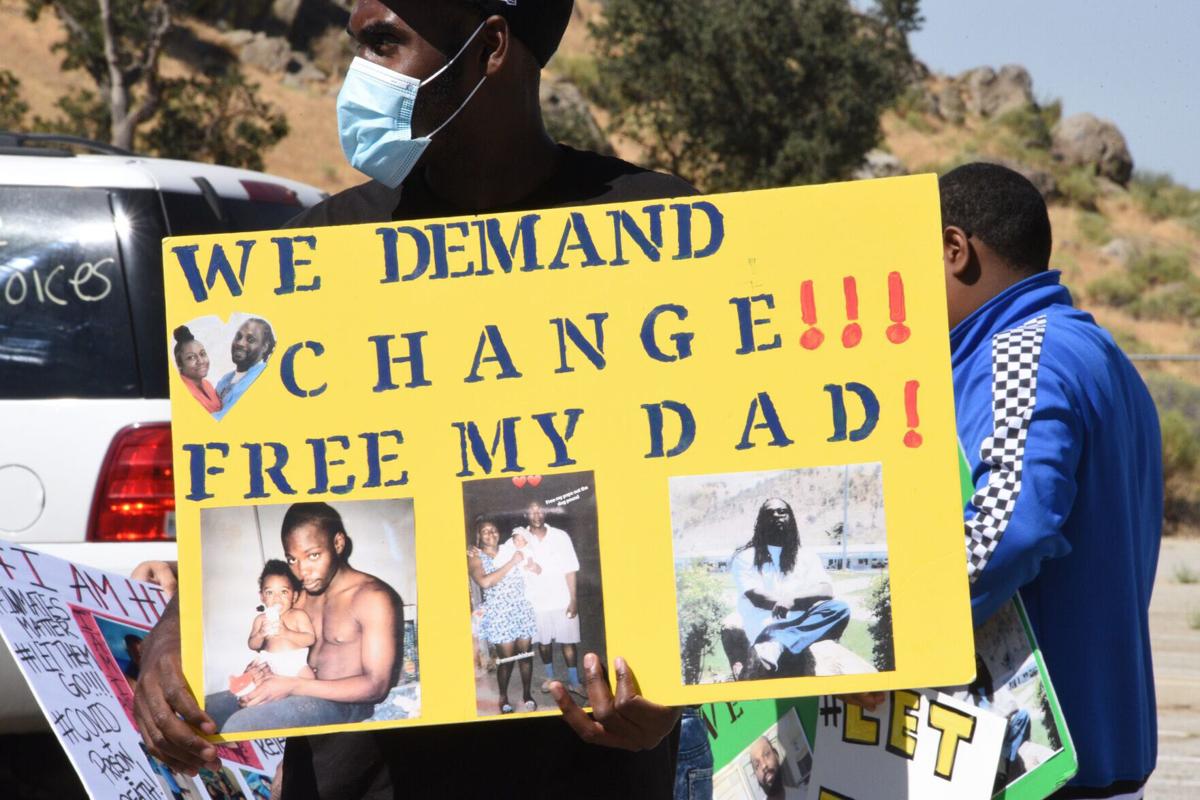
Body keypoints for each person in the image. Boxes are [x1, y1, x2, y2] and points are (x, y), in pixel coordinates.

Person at [134, 1, 695, 795]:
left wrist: (677, 694)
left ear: (489, 49)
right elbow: (243, 481)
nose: (358, 75)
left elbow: (700, 506)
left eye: (385, 44)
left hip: (583, 769)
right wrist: (172, 639)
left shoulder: (659, 231)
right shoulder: (312, 255)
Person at [850, 163, 1163, 799]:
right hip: (1098, 754)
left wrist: (884, 638)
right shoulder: (1106, 360)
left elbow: (1010, 525)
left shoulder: (1021, 353)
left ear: (955, 249)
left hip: (1036, 772)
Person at [205, 503, 403, 733]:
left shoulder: (373, 598)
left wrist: (293, 686)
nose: (302, 572)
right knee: (204, 710)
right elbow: (277, 643)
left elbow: (376, 687)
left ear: (338, 544)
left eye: (313, 556)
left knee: (242, 725)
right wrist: (260, 670)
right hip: (292, 685)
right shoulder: (299, 597)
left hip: (345, 704)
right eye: (292, 560)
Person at [730, 498, 851, 679]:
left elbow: (826, 590)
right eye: (769, 513)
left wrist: (792, 599)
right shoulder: (746, 557)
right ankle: (775, 643)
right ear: (760, 521)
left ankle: (779, 643)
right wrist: (790, 602)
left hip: (803, 621)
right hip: (768, 626)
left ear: (791, 517)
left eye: (782, 511)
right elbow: (757, 597)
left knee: (840, 608)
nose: (776, 516)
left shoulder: (806, 555)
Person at [512, 500, 586, 696]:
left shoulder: (561, 536)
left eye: (540, 511)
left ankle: (574, 681)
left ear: (546, 513)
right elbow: (499, 553)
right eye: (531, 512)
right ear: (525, 515)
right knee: (544, 644)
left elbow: (570, 569)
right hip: (537, 603)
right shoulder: (520, 538)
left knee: (568, 642)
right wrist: (476, 551)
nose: (536, 515)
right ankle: (551, 677)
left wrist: (573, 599)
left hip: (562, 599)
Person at [467, 519, 538, 713]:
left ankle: (526, 694)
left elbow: (530, 547)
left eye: (494, 530)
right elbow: (485, 582)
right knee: (506, 660)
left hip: (521, 608)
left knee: (526, 655)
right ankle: (503, 696)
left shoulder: (509, 547)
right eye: (485, 531)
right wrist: (512, 562)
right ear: (478, 536)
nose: (491, 534)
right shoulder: (476, 556)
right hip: (499, 613)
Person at [244, 560, 317, 682]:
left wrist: (287, 633)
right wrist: (260, 634)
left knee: (311, 682)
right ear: (262, 596)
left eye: (284, 592)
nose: (277, 598)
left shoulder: (298, 615)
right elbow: (252, 644)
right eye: (270, 592)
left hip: (296, 665)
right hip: (269, 665)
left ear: (294, 596)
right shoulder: (261, 619)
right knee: (256, 683)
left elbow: (310, 639)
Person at [212, 318, 275, 421]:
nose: (240, 343)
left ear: (264, 347)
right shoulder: (226, 379)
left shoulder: (260, 378)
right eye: (238, 337)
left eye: (250, 340)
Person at [173, 326, 222, 414]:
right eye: (191, 357)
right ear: (179, 364)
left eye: (202, 354)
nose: (201, 361)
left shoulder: (207, 384)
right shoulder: (182, 392)